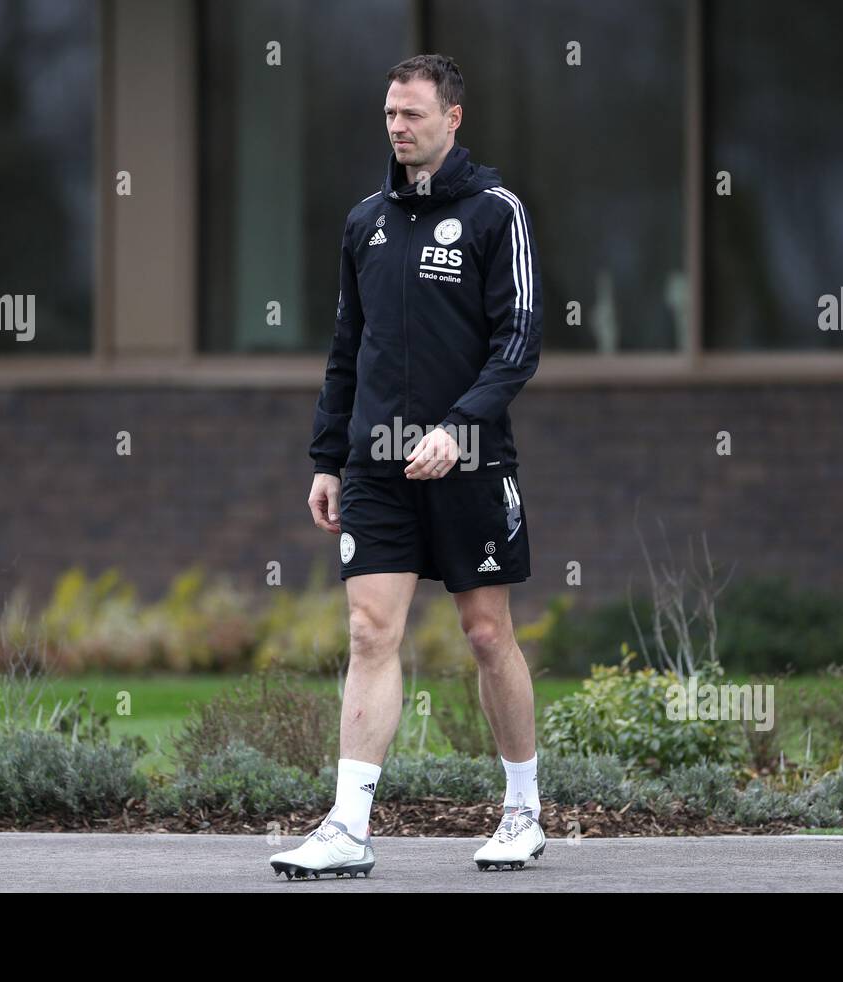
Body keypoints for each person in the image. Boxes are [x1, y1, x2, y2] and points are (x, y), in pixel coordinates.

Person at [269, 53, 546, 880]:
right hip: (376, 467)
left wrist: (461, 428)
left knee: (487, 633)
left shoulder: (497, 213)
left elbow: (520, 340)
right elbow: (346, 349)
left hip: (469, 460)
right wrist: (328, 458)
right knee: (368, 631)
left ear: (452, 118)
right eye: (390, 114)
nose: (398, 127)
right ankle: (348, 828)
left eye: (413, 114)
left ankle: (523, 812)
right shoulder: (366, 223)